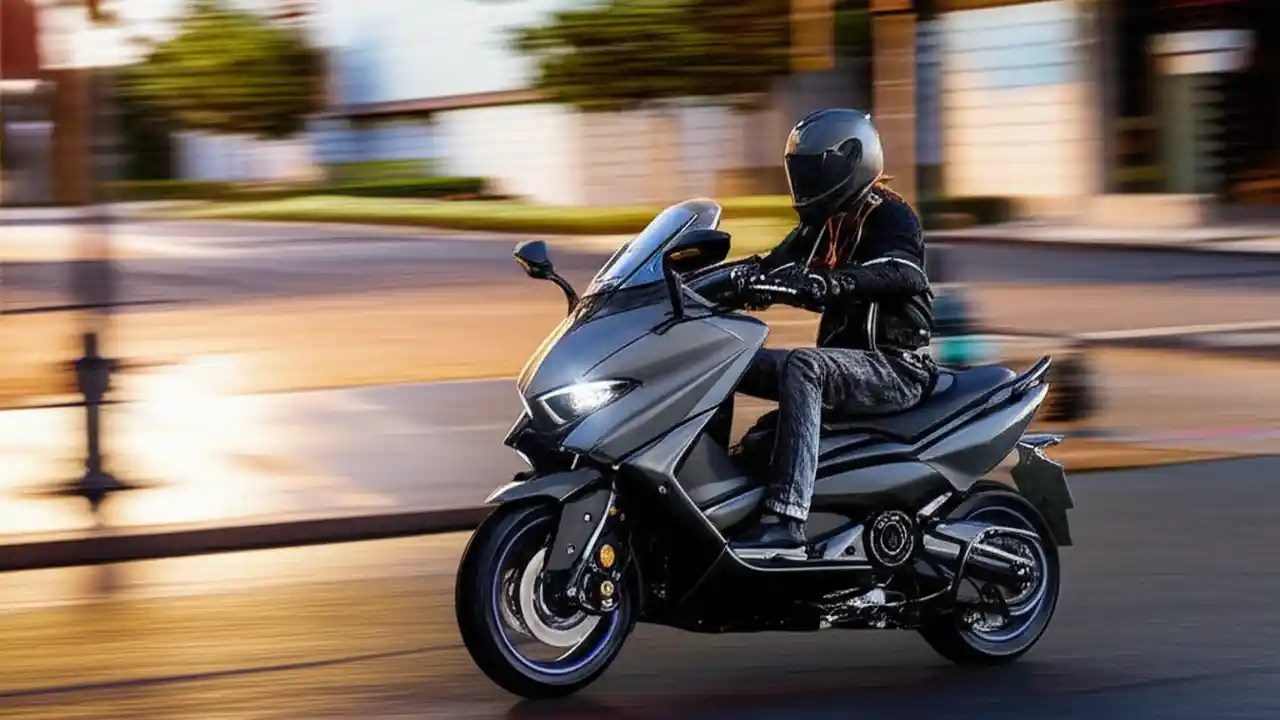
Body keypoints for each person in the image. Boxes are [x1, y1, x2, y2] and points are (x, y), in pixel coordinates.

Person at [728, 108, 937, 559]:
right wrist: (693, 285)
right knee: (725, 356)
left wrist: (831, 282)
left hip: (895, 367)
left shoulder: (892, 216)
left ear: (848, 162)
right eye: (800, 172)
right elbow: (770, 265)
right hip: (848, 365)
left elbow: (903, 273)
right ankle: (714, 494)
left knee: (804, 366)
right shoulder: (824, 224)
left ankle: (786, 521)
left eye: (814, 170)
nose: (804, 181)